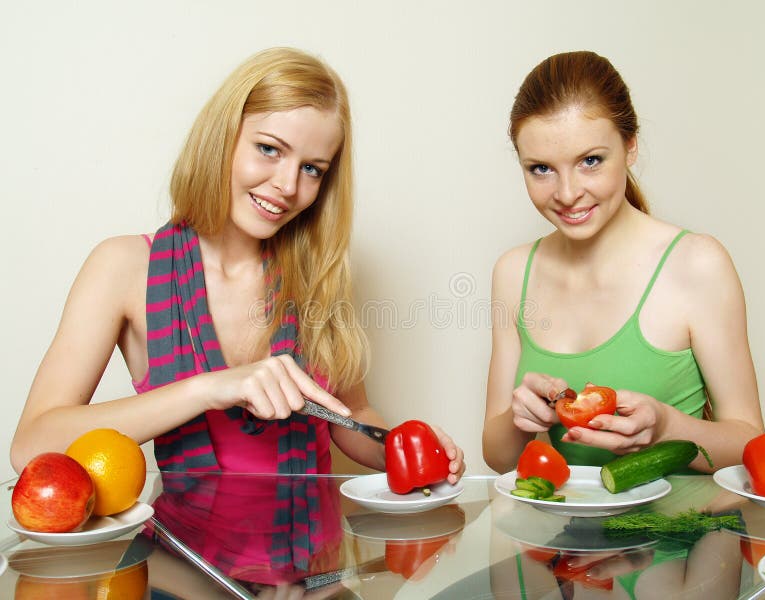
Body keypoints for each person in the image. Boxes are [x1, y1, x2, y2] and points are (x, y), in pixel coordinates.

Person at [11, 47, 464, 482]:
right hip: (186, 538)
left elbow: (352, 414)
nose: (288, 185)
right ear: (222, 137)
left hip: (316, 536)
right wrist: (207, 389)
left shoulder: (318, 274)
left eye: (312, 169)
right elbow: (31, 446)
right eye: (269, 149)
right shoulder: (124, 267)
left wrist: (408, 451)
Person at [482, 50, 763, 473]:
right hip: (557, 519)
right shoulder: (513, 272)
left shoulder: (698, 264)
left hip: (681, 517)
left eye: (590, 161)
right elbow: (498, 456)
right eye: (541, 169)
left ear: (630, 146)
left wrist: (666, 426)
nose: (567, 193)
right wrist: (521, 420)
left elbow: (751, 443)